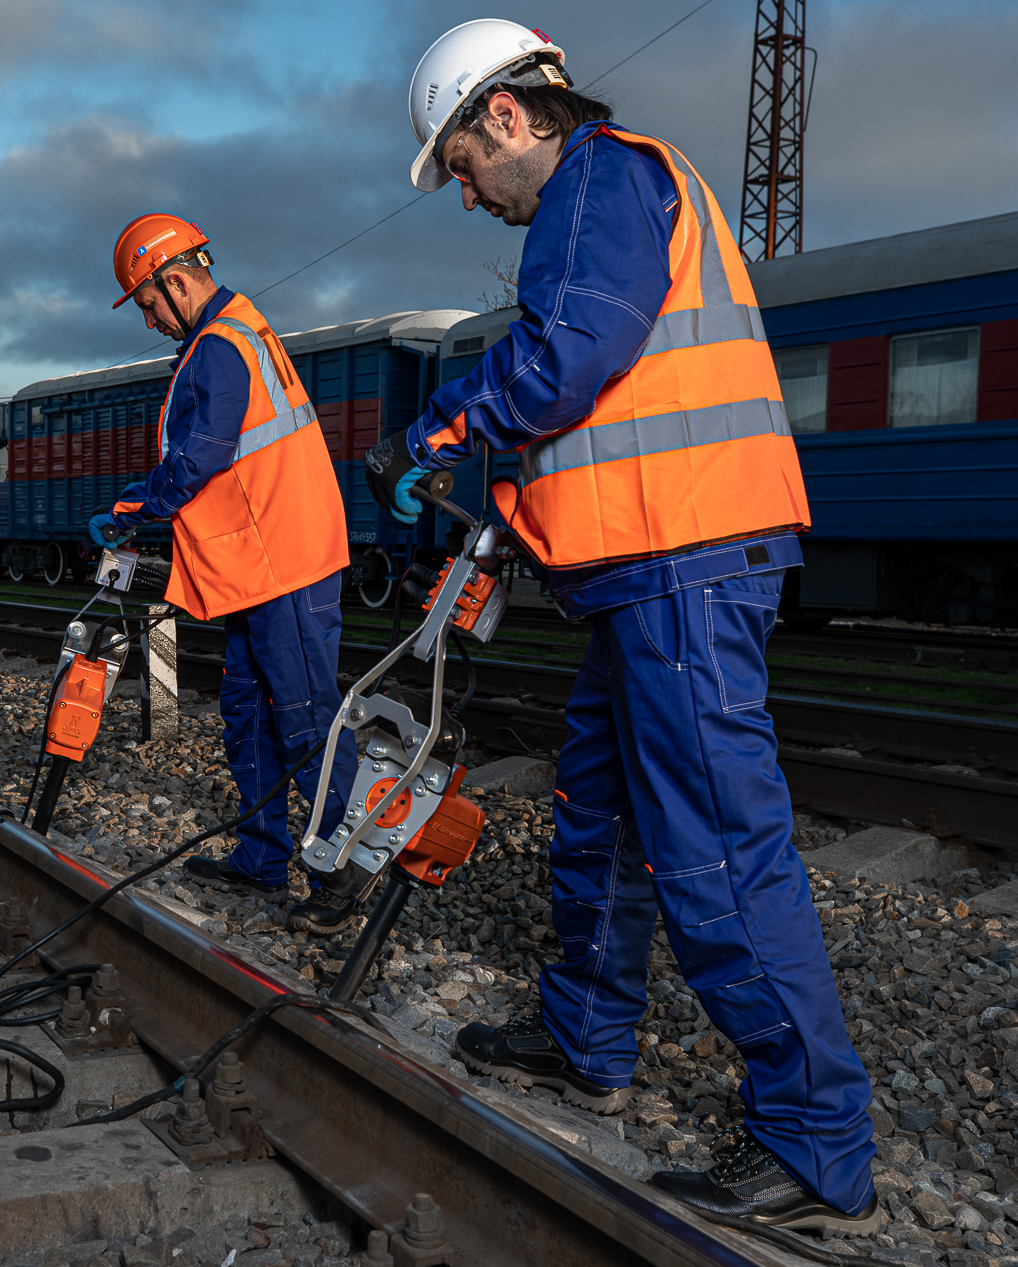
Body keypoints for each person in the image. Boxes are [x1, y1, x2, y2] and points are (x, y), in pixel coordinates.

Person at [369, 19, 880, 1235]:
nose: (463, 194)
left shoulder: (600, 177)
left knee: (713, 847)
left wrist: (439, 426)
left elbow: (565, 361)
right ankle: (584, 1032)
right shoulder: (614, 188)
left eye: (458, 164)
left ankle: (816, 1141)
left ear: (505, 116)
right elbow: (606, 394)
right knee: (597, 814)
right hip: (639, 567)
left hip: (686, 564)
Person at [89, 214, 362, 933]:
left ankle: (347, 871)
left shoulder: (217, 348)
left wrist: (133, 505)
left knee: (305, 718)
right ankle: (264, 853)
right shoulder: (236, 331)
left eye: (149, 304)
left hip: (286, 559)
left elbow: (200, 458)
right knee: (249, 710)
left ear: (175, 281)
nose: (150, 321)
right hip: (261, 562)